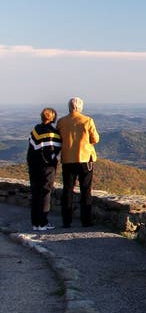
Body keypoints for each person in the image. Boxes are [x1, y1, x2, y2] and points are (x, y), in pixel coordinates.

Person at [56, 96, 100, 227]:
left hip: (67, 159)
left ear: (69, 107)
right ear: (80, 107)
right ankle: (86, 221)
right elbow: (95, 139)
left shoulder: (61, 122)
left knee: (67, 190)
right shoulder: (87, 120)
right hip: (85, 159)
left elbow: (59, 139)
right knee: (85, 190)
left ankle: (66, 221)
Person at [26, 107, 62, 231]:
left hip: (33, 165)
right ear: (53, 118)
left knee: (35, 192)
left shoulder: (36, 130)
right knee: (46, 193)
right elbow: (55, 150)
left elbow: (31, 148)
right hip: (47, 167)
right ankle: (43, 222)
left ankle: (35, 223)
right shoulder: (54, 133)